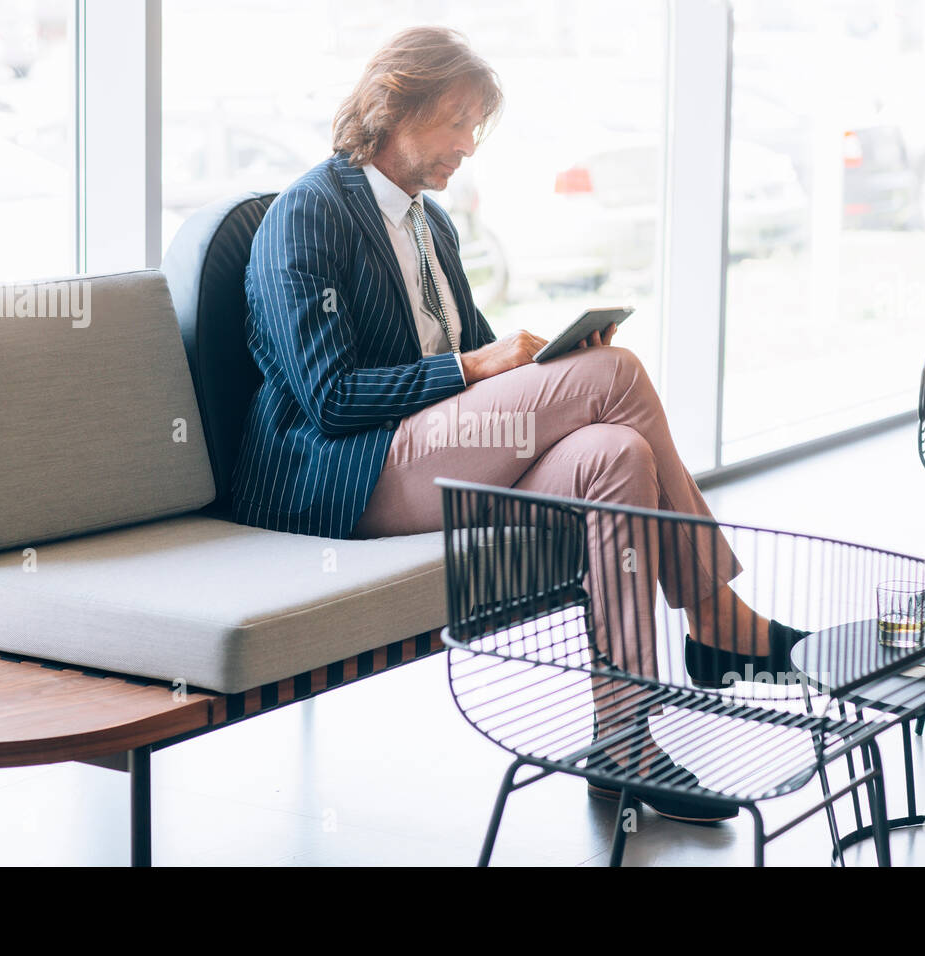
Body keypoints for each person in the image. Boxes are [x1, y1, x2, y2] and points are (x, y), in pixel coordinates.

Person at [233, 26, 801, 825]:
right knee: (620, 374)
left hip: (434, 453)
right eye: (456, 122)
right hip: (345, 472)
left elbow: (472, 352)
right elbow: (329, 398)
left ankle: (623, 741)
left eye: (475, 127)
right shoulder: (309, 215)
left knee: (617, 452)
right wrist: (474, 370)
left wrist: (540, 363)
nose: (467, 145)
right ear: (394, 105)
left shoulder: (434, 225)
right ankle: (712, 615)